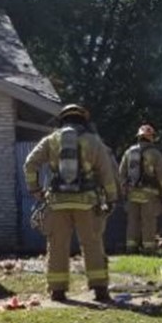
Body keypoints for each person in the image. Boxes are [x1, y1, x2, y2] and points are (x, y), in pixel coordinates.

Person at [23, 103, 121, 302]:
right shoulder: (94, 142)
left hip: (57, 202)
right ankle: (100, 290)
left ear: (62, 120)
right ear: (83, 120)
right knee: (92, 244)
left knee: (58, 245)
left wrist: (35, 189)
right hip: (87, 203)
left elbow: (30, 164)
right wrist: (111, 199)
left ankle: (57, 291)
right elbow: (107, 173)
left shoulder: (51, 140)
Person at [117, 124, 162, 255]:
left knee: (133, 221)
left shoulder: (129, 152)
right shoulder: (155, 154)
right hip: (149, 194)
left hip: (132, 193)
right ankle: (149, 248)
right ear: (151, 138)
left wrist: (123, 190)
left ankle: (131, 247)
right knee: (148, 221)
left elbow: (121, 174)